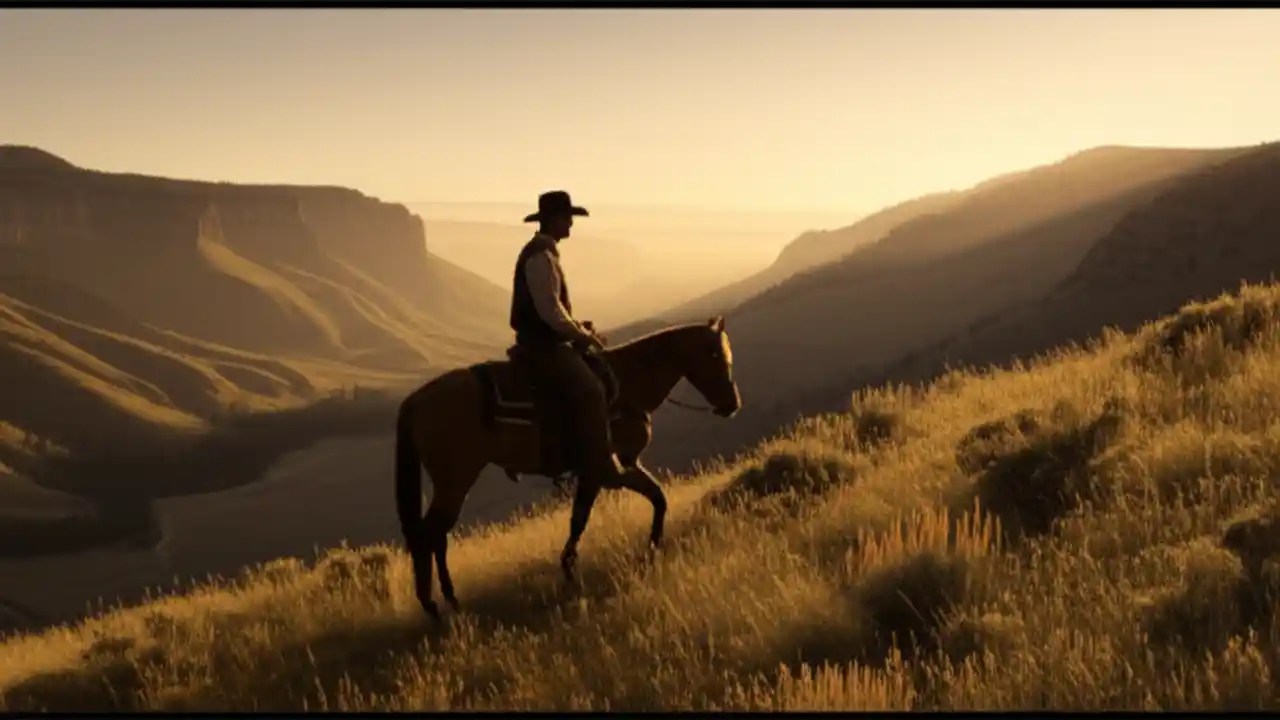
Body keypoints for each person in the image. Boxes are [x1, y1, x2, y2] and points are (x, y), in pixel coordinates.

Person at [510, 190, 625, 486]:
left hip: (547, 339)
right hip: (542, 344)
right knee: (591, 390)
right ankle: (599, 461)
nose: (571, 225)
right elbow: (550, 311)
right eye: (567, 218)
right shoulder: (540, 257)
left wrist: (577, 326)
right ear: (554, 220)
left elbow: (553, 309)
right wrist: (580, 334)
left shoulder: (544, 253)